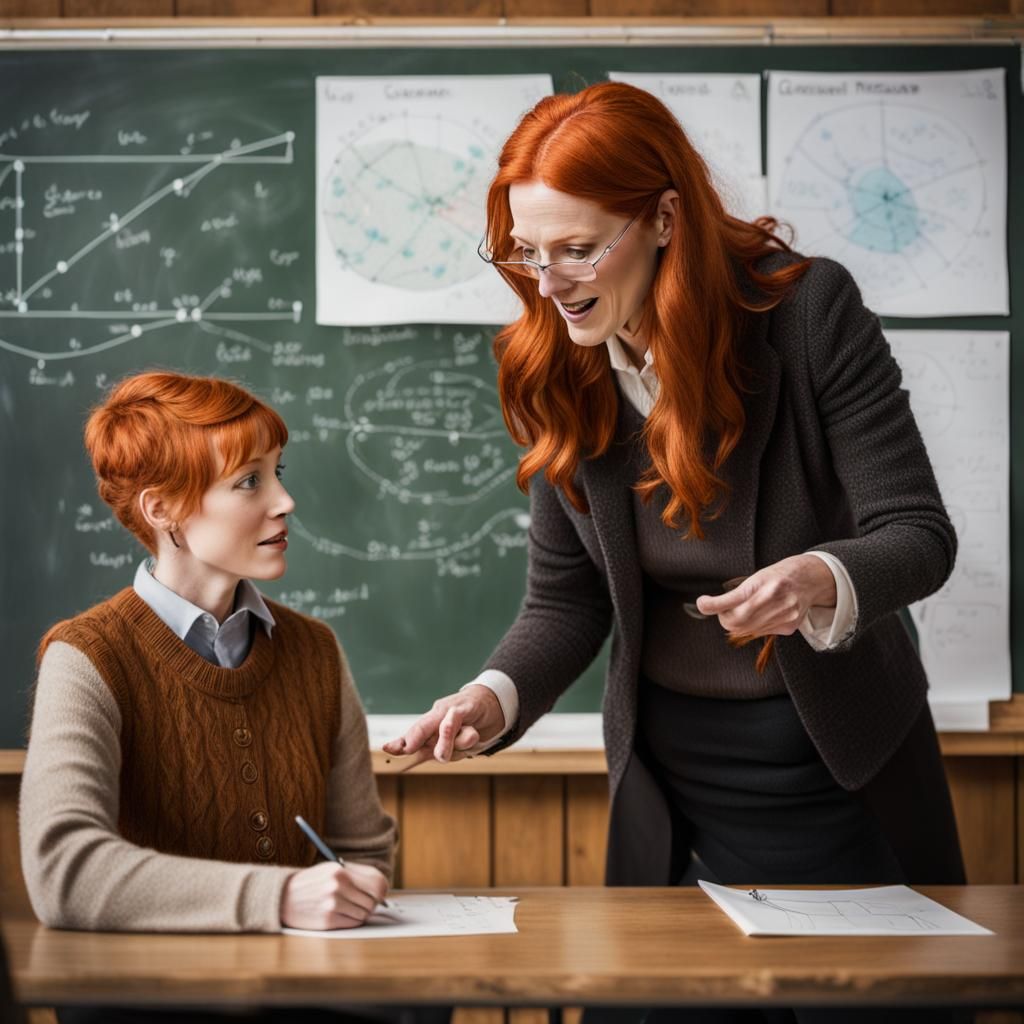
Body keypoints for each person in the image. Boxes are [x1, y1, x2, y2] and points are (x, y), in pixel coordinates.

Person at [384, 83, 966, 1023]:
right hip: (677, 791)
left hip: (839, 775)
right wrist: (488, 699)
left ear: (663, 216)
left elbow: (918, 535)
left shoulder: (809, 312)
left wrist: (823, 576)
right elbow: (566, 604)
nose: (551, 282)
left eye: (578, 249)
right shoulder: (554, 361)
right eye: (527, 252)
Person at [20, 371, 397, 1024]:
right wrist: (278, 897)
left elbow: (363, 848)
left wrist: (357, 884)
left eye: (278, 472)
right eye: (249, 481)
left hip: (305, 1002)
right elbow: (65, 871)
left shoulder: (315, 651)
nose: (284, 501)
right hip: (149, 1007)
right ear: (161, 508)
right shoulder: (86, 657)